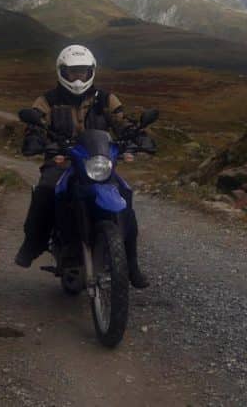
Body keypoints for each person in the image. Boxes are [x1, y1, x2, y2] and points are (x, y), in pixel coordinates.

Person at [14, 44, 149, 288]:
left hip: (97, 161)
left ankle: (131, 263)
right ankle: (33, 243)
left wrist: (137, 136)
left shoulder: (106, 99)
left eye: (83, 72)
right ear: (62, 72)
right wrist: (35, 138)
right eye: (73, 72)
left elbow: (122, 122)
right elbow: (36, 124)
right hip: (62, 161)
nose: (78, 78)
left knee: (125, 194)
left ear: (91, 72)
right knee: (46, 190)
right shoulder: (48, 100)